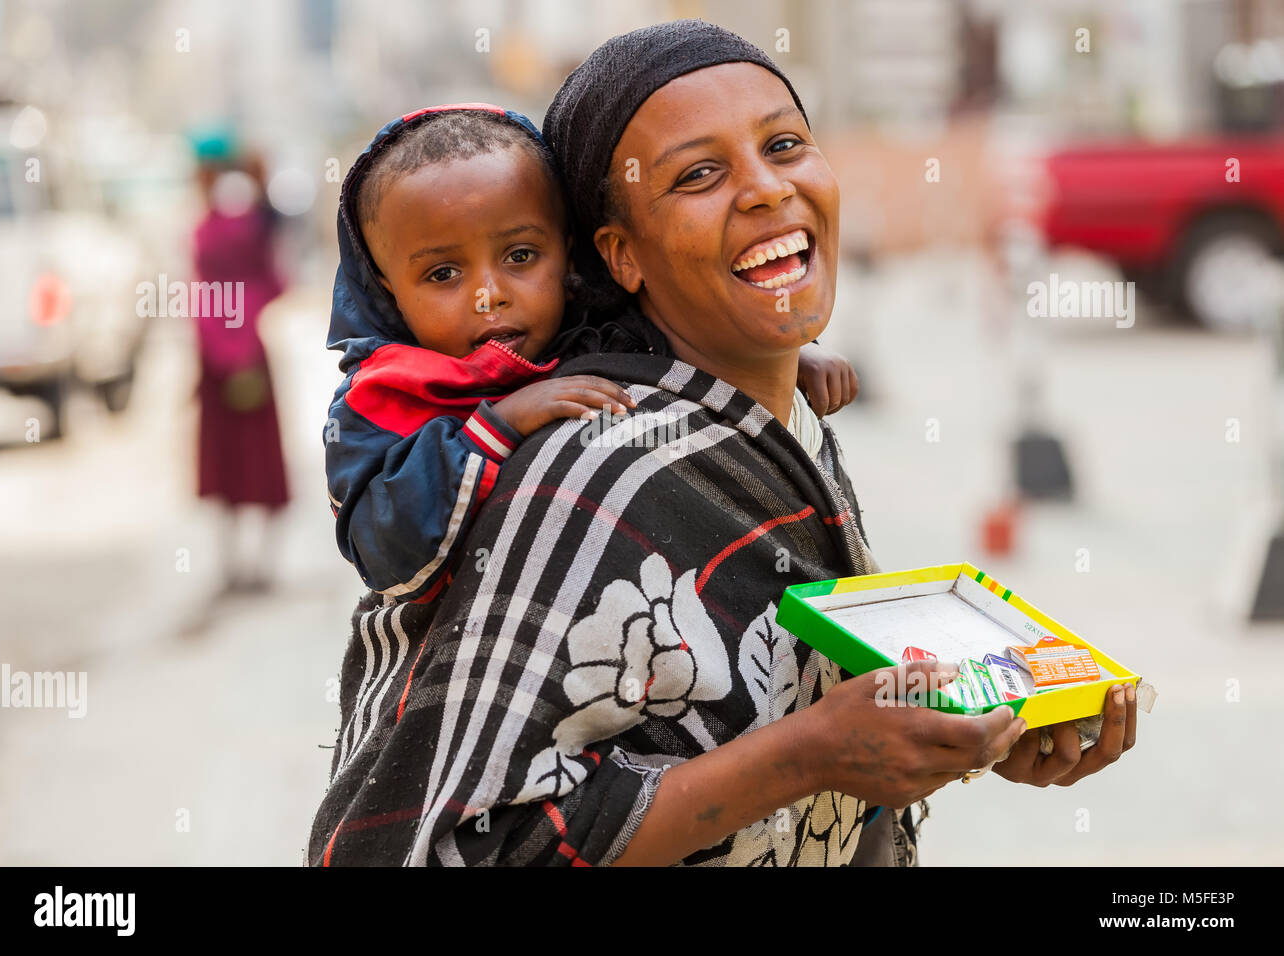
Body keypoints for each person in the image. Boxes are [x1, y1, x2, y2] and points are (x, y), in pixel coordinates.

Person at [306, 21, 1136, 868]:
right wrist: (807, 755)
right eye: (700, 173)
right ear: (619, 255)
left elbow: (770, 702)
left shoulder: (777, 413)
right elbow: (449, 846)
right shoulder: (593, 468)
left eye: (785, 144)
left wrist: (983, 727)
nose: (767, 190)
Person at [325, 103, 858, 603]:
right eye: (443, 274)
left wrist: (778, 356)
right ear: (386, 286)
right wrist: (497, 427)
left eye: (521, 255)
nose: (490, 294)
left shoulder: (588, 327)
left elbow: (678, 343)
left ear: (568, 249)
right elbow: (384, 551)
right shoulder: (380, 401)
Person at [191, 139, 290, 594]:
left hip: (217, 363)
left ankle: (231, 566)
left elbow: (203, 297)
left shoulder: (205, 231)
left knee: (225, 466)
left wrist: (221, 349)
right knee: (261, 464)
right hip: (249, 355)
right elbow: (275, 283)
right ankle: (260, 566)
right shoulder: (253, 225)